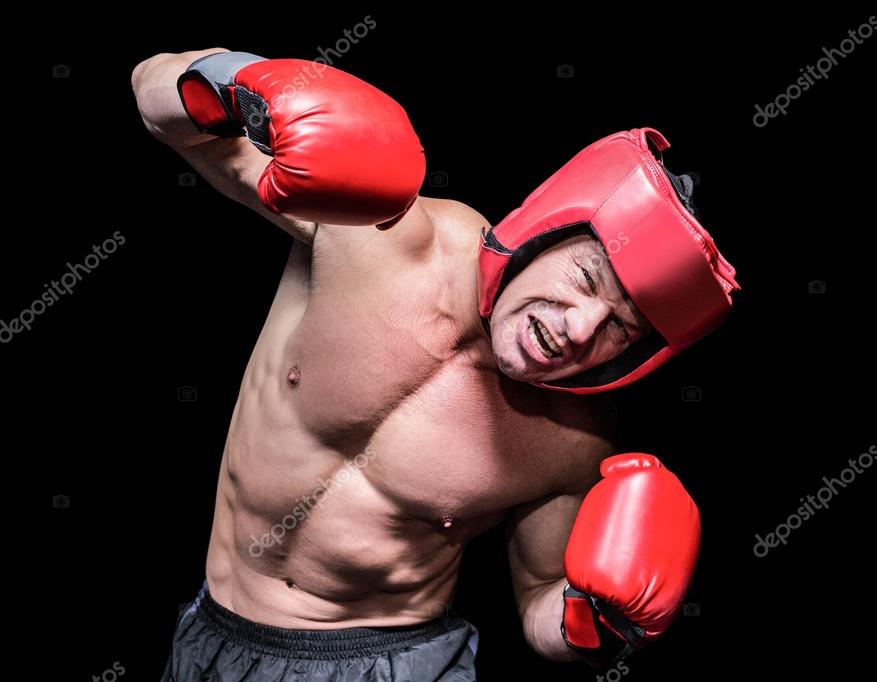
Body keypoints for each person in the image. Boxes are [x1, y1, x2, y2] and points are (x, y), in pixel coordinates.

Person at [132, 48, 739, 681]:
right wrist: (234, 83)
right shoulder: (382, 233)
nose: (580, 328)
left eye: (620, 327)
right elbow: (161, 105)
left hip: (392, 667)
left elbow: (538, 599)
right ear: (543, 232)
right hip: (211, 633)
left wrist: (592, 621)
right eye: (585, 278)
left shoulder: (573, 442)